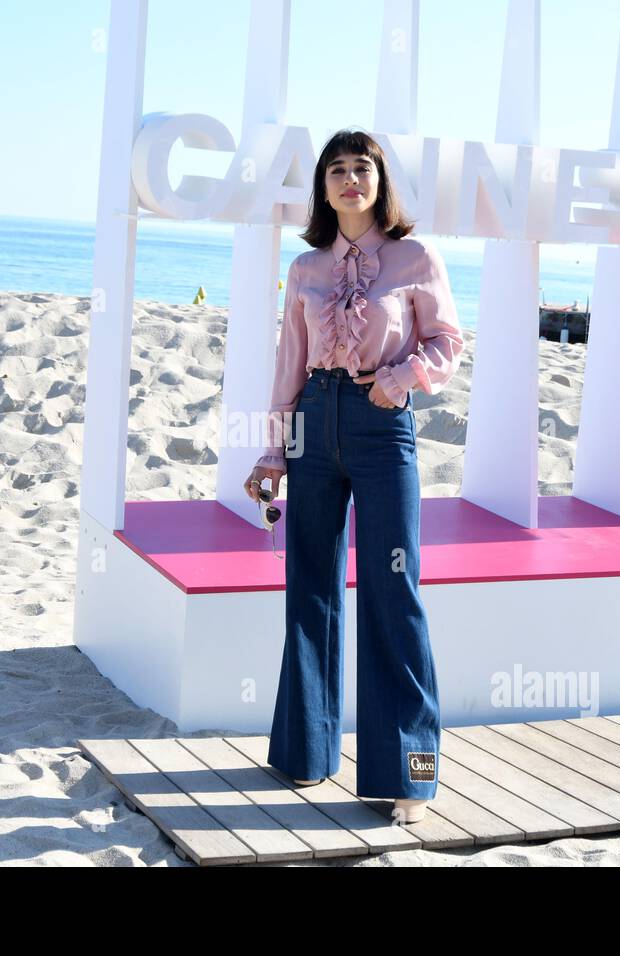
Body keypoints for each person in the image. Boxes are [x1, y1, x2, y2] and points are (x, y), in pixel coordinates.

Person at [242, 127, 465, 825]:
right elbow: (288, 363)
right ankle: (303, 754)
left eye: (360, 168)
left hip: (380, 423)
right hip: (314, 419)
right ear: (324, 187)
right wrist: (273, 452)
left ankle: (413, 776)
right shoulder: (307, 268)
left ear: (379, 181)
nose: (348, 179)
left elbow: (448, 341)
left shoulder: (416, 256)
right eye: (335, 170)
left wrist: (400, 378)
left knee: (393, 593)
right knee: (309, 586)